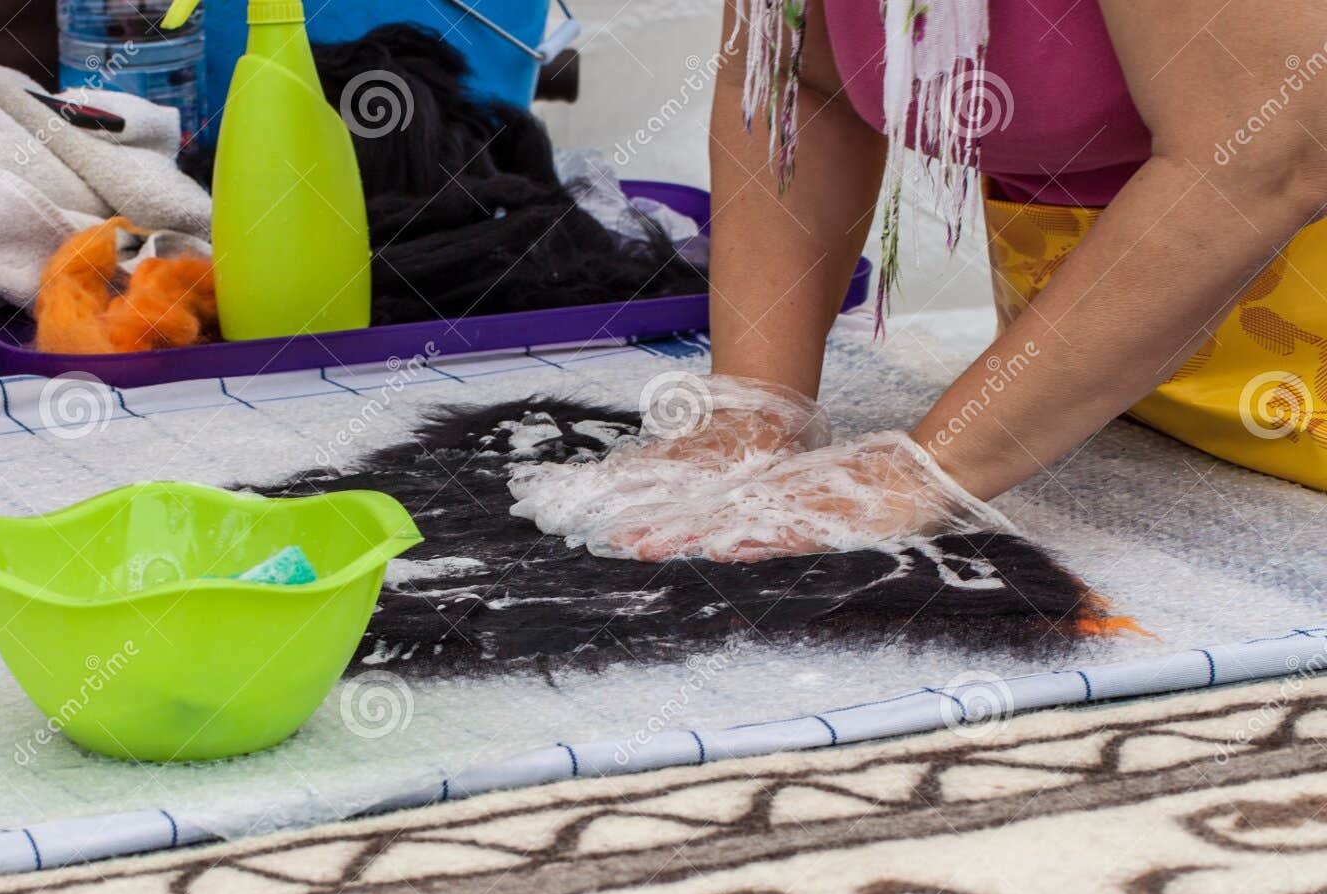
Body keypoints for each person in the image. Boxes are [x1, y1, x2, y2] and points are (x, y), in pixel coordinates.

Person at [509, 1, 1327, 562]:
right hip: (1136, 401)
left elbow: (1261, 158)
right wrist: (754, 406)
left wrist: (925, 470)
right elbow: (796, 82)